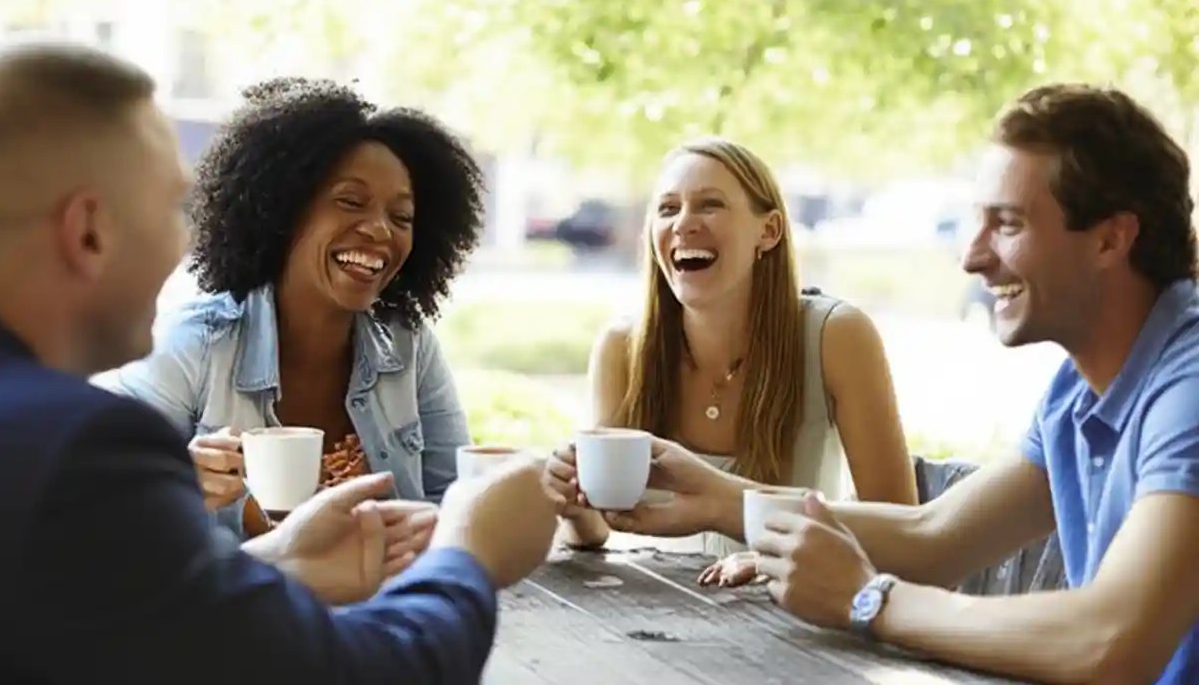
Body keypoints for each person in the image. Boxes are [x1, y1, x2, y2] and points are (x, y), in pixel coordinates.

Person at [0, 40, 557, 683]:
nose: (184, 242)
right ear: (89, 230)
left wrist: (279, 561)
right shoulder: (80, 453)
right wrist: (469, 552)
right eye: (173, 208)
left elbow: (106, 624)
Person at [600, 85, 1199, 684]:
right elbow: (932, 537)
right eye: (977, 223)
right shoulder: (1080, 390)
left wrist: (871, 600)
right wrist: (722, 500)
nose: (971, 257)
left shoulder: (1188, 389)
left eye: (1008, 224)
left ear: (1110, 239)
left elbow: (1110, 642)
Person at [100, 76, 483, 539]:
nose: (381, 231)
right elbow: (99, 495)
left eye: (401, 217)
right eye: (350, 201)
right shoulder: (195, 344)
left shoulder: (409, 345)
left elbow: (458, 502)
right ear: (282, 208)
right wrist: (176, 485)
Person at [545, 136, 916, 555]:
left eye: (710, 205)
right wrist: (573, 507)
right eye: (668, 209)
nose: (684, 224)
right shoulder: (621, 347)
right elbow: (595, 529)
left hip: (790, 612)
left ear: (769, 231)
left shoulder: (838, 336)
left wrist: (734, 513)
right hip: (646, 610)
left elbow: (903, 532)